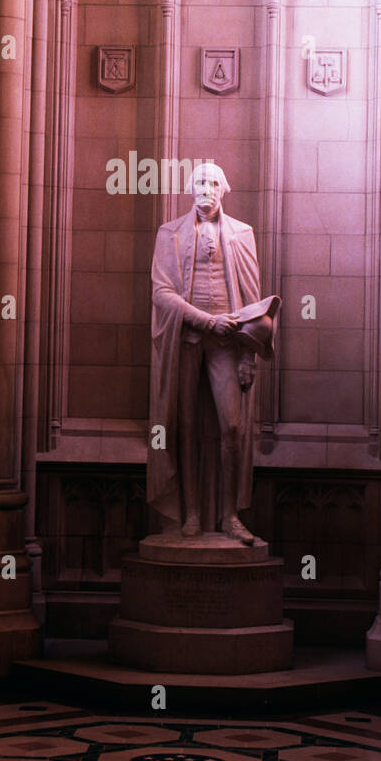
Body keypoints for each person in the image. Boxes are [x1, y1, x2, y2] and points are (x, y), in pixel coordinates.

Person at [147, 162, 277, 544]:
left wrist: (248, 356)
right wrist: (205, 321)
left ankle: (230, 515)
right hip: (186, 340)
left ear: (224, 188)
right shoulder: (168, 233)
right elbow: (162, 293)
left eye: (213, 182)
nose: (206, 187)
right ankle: (189, 512)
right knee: (183, 426)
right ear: (190, 189)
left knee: (232, 426)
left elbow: (253, 300)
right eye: (200, 181)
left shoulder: (242, 233)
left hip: (229, 341)